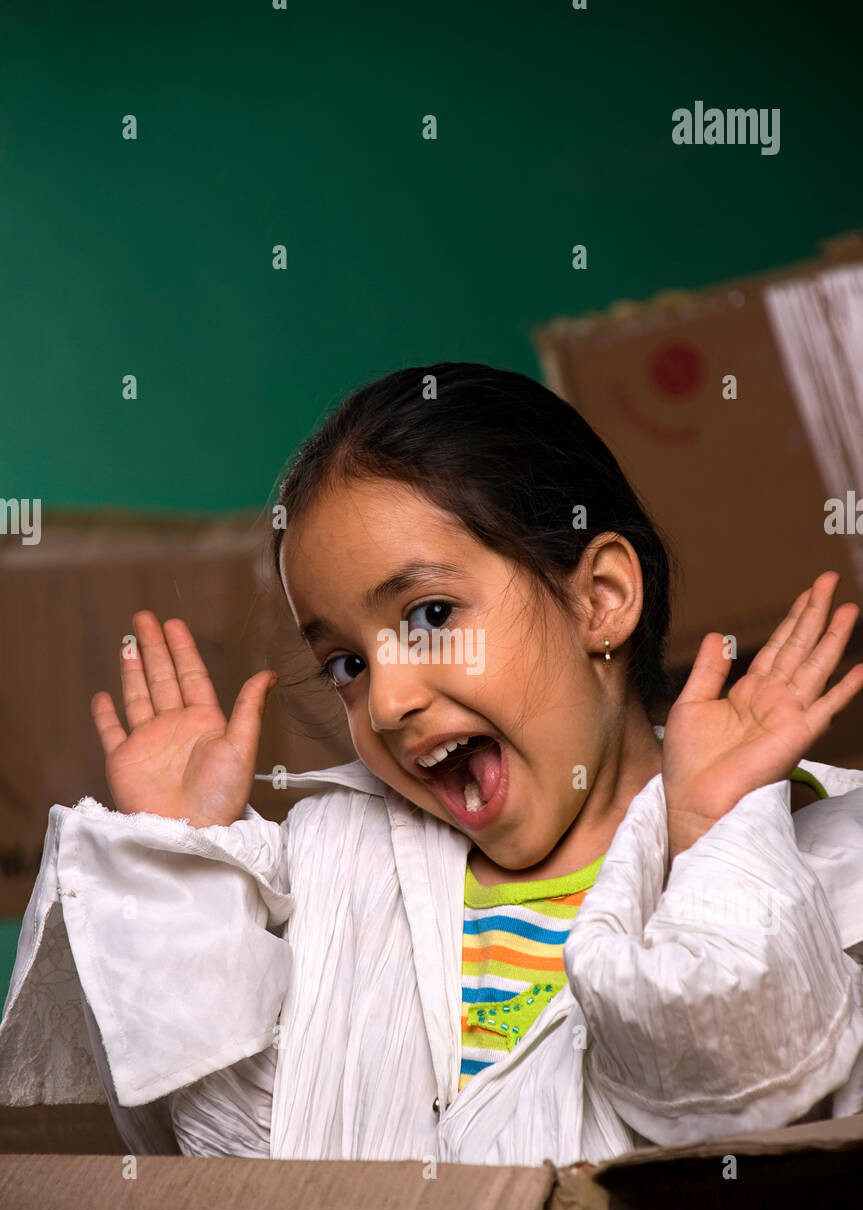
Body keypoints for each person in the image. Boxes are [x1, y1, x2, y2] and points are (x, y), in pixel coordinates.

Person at [2, 362, 863, 1166]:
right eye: (347, 663)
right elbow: (237, 1167)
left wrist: (711, 835)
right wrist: (179, 860)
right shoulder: (331, 874)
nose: (384, 702)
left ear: (598, 600)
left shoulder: (824, 867)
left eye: (429, 614)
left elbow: (743, 1121)